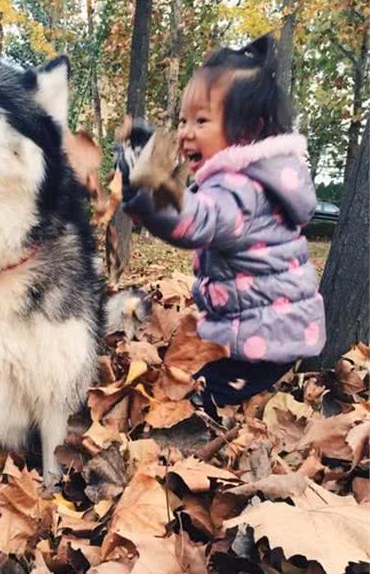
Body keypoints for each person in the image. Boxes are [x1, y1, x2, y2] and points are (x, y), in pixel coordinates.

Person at [118, 34, 325, 415]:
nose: (185, 132)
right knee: (195, 375)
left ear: (246, 131)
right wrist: (155, 161)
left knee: (202, 398)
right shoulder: (251, 179)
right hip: (266, 325)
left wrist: (151, 185)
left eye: (201, 120)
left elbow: (197, 220)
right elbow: (192, 201)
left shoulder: (242, 187)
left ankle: (211, 415)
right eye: (182, 121)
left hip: (263, 338)